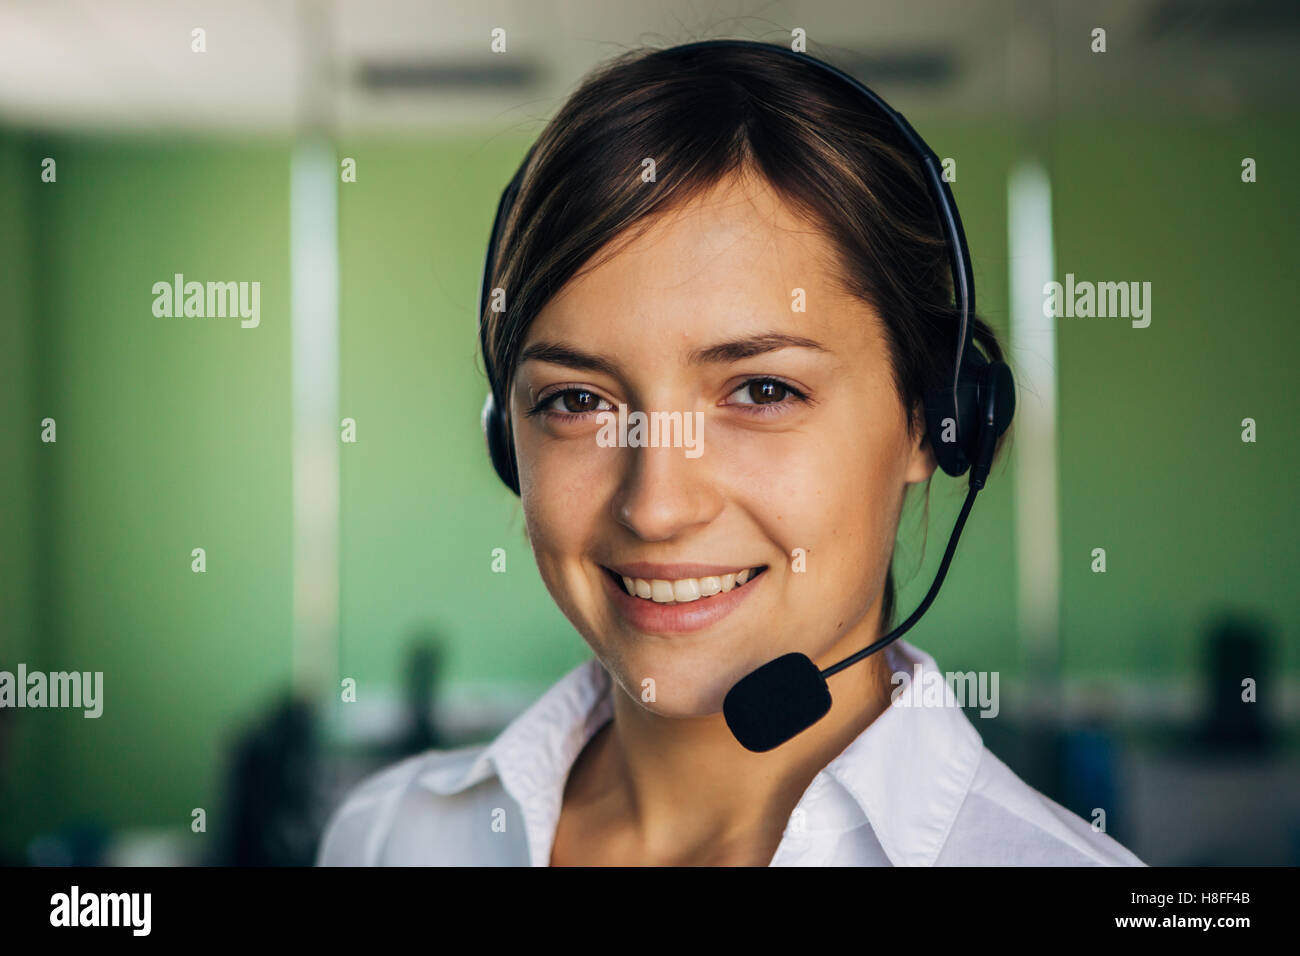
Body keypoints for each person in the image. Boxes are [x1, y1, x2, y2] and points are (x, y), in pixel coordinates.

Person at [318, 40, 1143, 866]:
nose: (657, 506)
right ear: (509, 437)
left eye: (761, 392)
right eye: (577, 401)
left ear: (933, 420)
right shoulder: (389, 837)